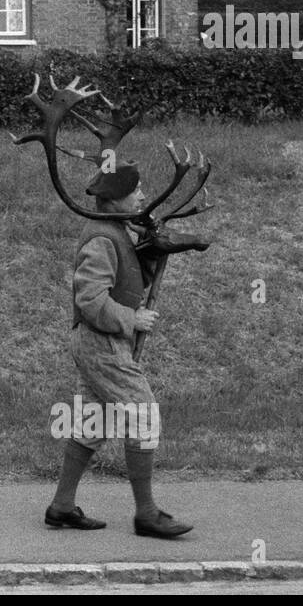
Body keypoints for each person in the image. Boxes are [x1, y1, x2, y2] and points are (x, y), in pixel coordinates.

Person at [44, 163, 194, 539]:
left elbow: (129, 279)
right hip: (102, 342)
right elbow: (91, 300)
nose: (142, 195)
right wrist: (132, 318)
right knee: (143, 415)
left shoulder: (117, 232)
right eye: (135, 190)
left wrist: (151, 251)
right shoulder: (101, 239)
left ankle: (62, 507)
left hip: (101, 341)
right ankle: (147, 515)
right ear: (114, 200)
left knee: (93, 424)